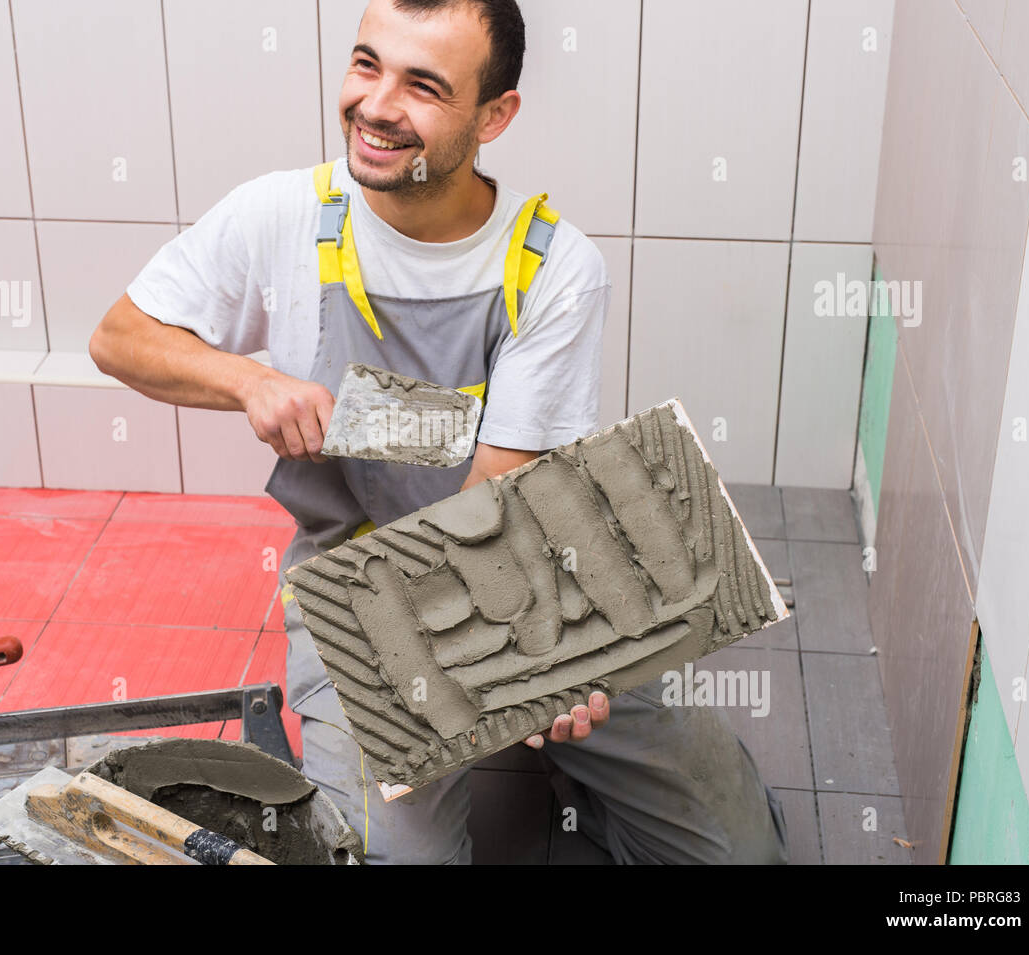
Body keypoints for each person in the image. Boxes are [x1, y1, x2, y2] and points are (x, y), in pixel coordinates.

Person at [91, 0, 788, 864]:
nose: (378, 105)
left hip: (530, 562)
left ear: (494, 115)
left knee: (736, 852)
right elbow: (118, 336)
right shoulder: (281, 216)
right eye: (365, 65)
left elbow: (495, 498)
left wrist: (542, 668)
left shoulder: (553, 267)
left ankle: (574, 783)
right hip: (359, 583)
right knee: (398, 859)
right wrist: (251, 378)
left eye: (423, 85)